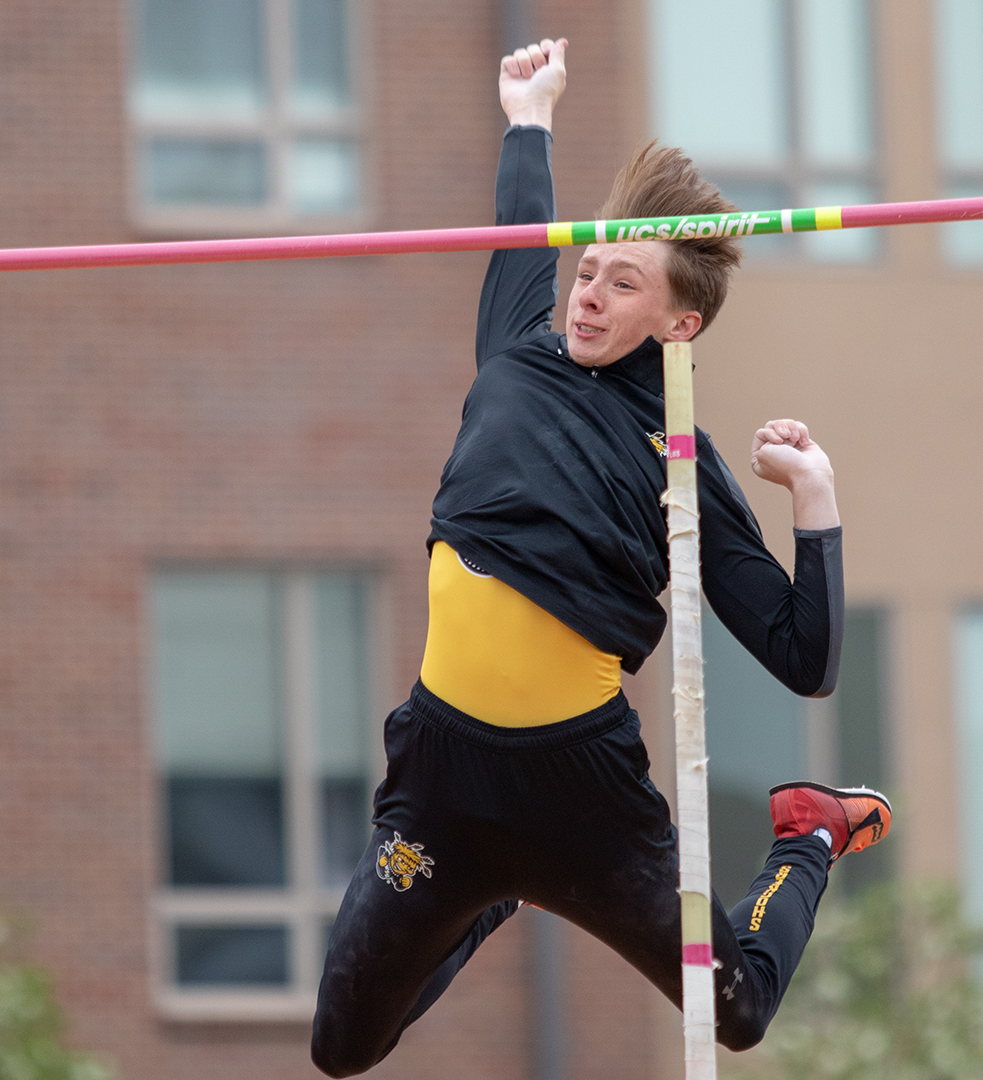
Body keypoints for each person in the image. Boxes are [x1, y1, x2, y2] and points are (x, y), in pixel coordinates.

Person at [310, 38, 891, 1077]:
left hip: (581, 791)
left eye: (622, 284)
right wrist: (528, 115)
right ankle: (489, 889)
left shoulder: (680, 457)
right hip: (442, 769)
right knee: (341, 1047)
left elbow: (805, 658)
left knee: (738, 1011)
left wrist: (816, 497)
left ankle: (809, 834)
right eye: (586, 271)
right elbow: (520, 230)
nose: (586, 295)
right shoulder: (516, 348)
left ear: (680, 320)